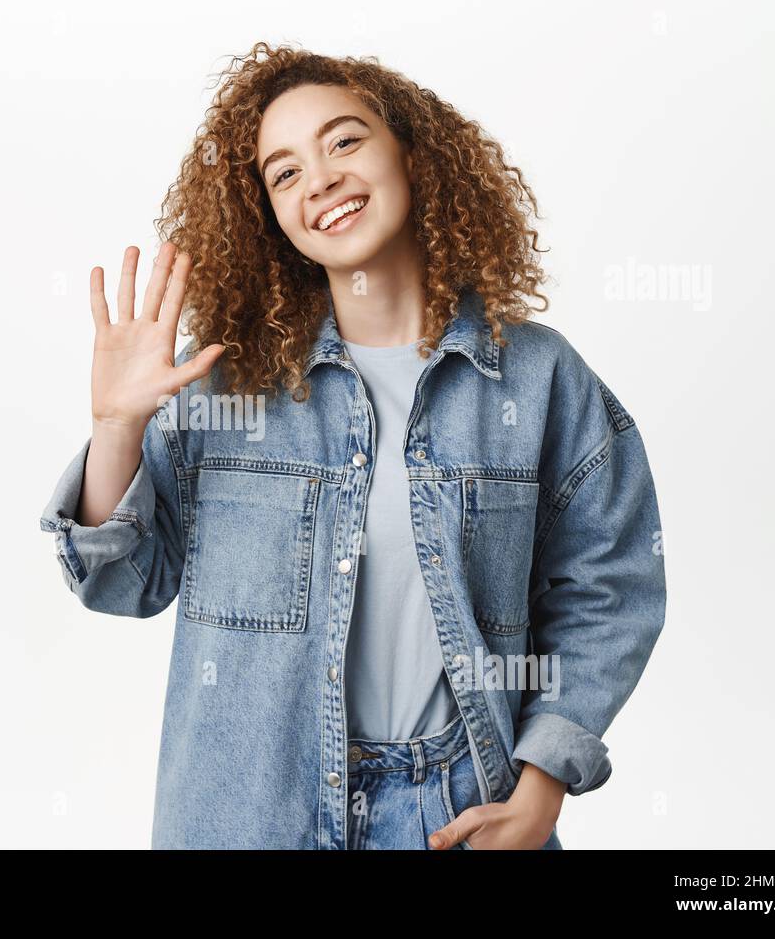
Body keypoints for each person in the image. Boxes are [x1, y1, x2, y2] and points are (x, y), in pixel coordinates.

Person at [39, 42, 666, 849]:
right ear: (269, 217)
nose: (322, 180)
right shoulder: (224, 388)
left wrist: (544, 779)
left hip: (461, 810)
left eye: (344, 141)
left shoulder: (538, 378)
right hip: (252, 811)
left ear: (411, 149)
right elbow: (124, 584)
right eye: (285, 172)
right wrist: (116, 429)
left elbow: (611, 585)